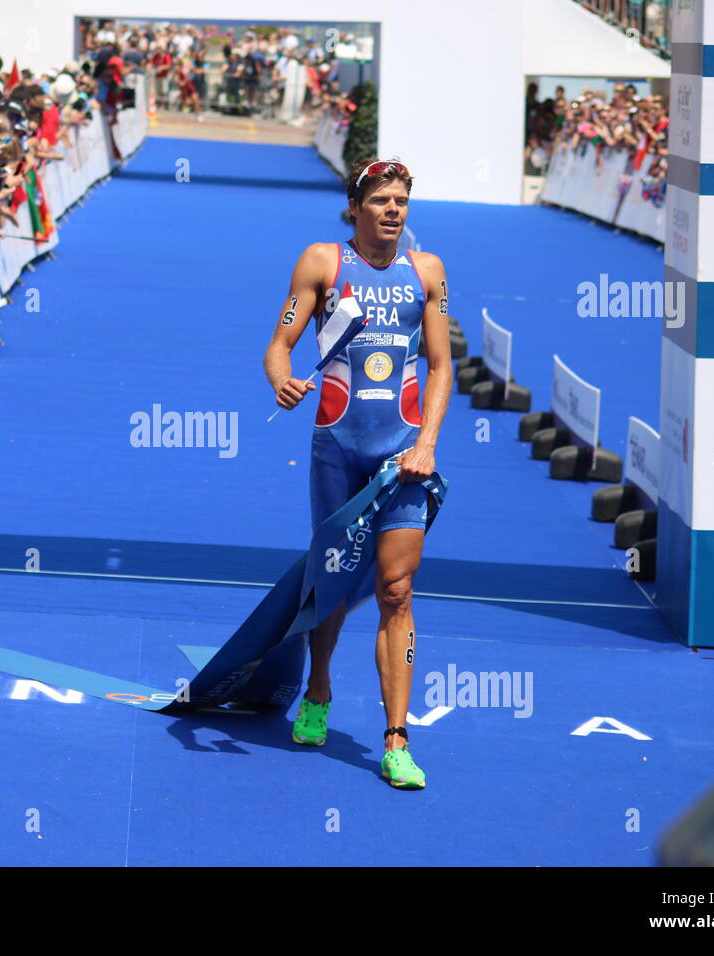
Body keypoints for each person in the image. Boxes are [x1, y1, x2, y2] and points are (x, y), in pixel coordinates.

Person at [262, 158, 453, 790]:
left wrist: (425, 443)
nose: (394, 210)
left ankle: (397, 737)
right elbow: (280, 345)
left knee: (397, 589)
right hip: (335, 452)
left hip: (403, 455)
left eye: (402, 200)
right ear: (356, 206)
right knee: (335, 586)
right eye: (382, 201)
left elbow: (442, 368)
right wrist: (282, 382)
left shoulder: (426, 272)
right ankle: (318, 689)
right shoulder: (322, 262)